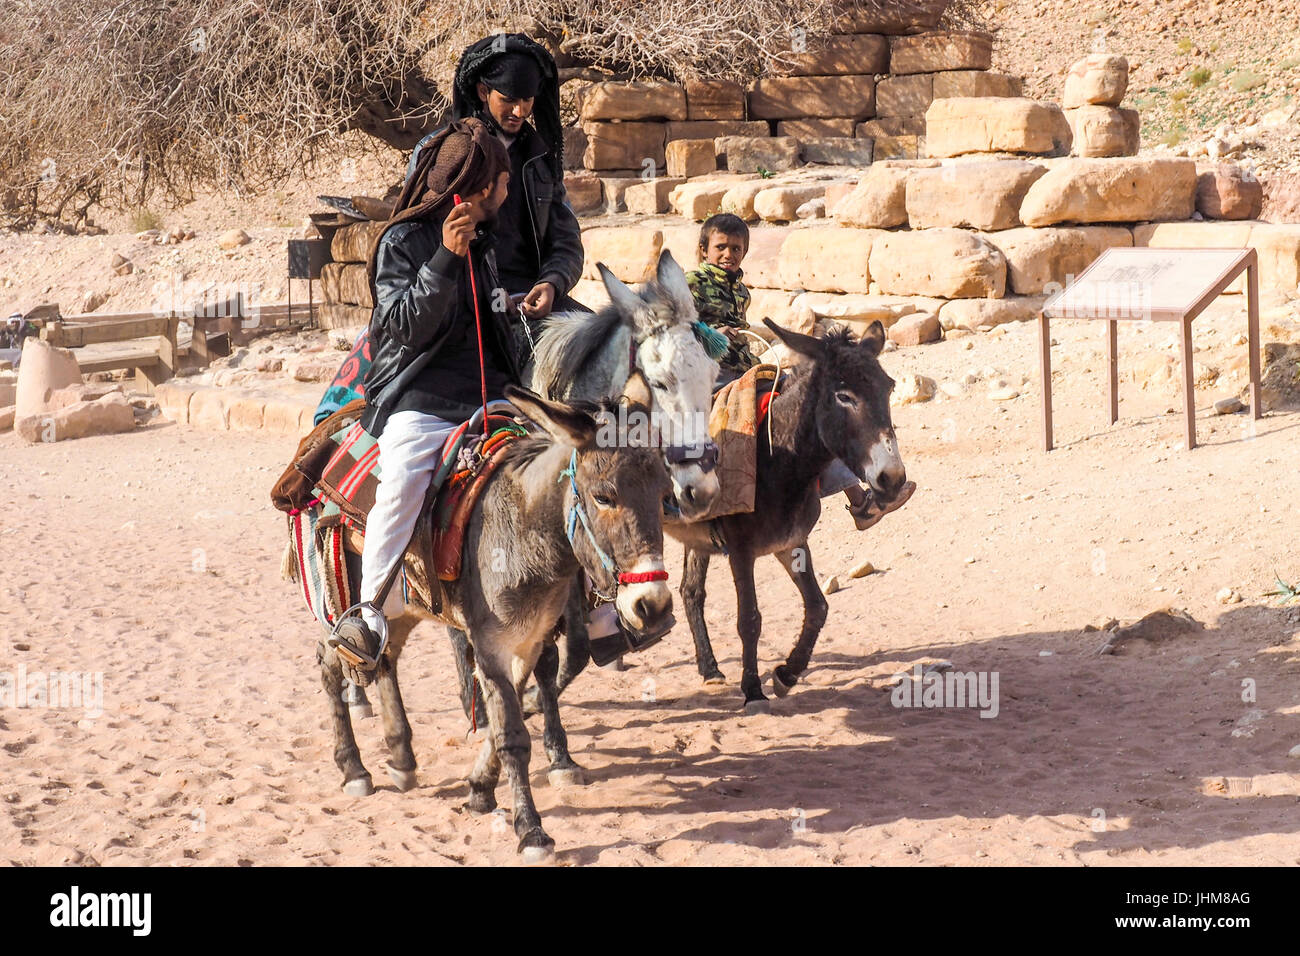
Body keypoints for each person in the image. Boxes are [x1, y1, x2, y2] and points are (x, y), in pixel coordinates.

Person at [331, 117, 518, 673]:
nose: (507, 194)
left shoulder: (485, 244)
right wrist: (442, 259)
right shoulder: (401, 242)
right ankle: (368, 615)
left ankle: (599, 608)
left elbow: (484, 322)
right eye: (503, 184)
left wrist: (519, 306)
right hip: (421, 399)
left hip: (492, 394)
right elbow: (404, 328)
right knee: (404, 480)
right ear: (480, 188)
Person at [684, 215, 911, 532]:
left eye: (736, 248)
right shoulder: (690, 284)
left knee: (807, 413)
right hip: (711, 370)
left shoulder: (741, 292)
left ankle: (858, 501)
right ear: (704, 249)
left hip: (744, 368)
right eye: (720, 247)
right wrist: (711, 334)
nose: (728, 255)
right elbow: (678, 327)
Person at [407, 33, 585, 327]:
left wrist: (552, 282)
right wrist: (486, 294)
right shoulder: (439, 154)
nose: (520, 111)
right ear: (481, 91)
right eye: (509, 100)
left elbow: (566, 241)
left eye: (527, 100)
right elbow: (416, 240)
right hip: (462, 300)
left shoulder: (541, 159)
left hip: (530, 294)